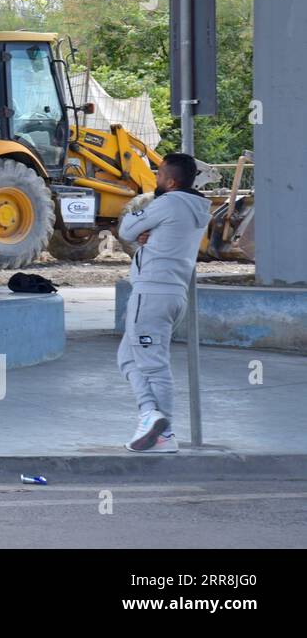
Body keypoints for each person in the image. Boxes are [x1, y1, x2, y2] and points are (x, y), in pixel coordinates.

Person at [116, 152, 210, 453]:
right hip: (172, 294)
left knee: (154, 366)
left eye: (158, 175)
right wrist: (151, 231)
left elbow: (126, 230)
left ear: (171, 181)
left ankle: (163, 432)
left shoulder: (167, 203)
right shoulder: (197, 208)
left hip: (152, 294)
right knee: (128, 358)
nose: (155, 180)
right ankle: (150, 413)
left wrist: (140, 214)